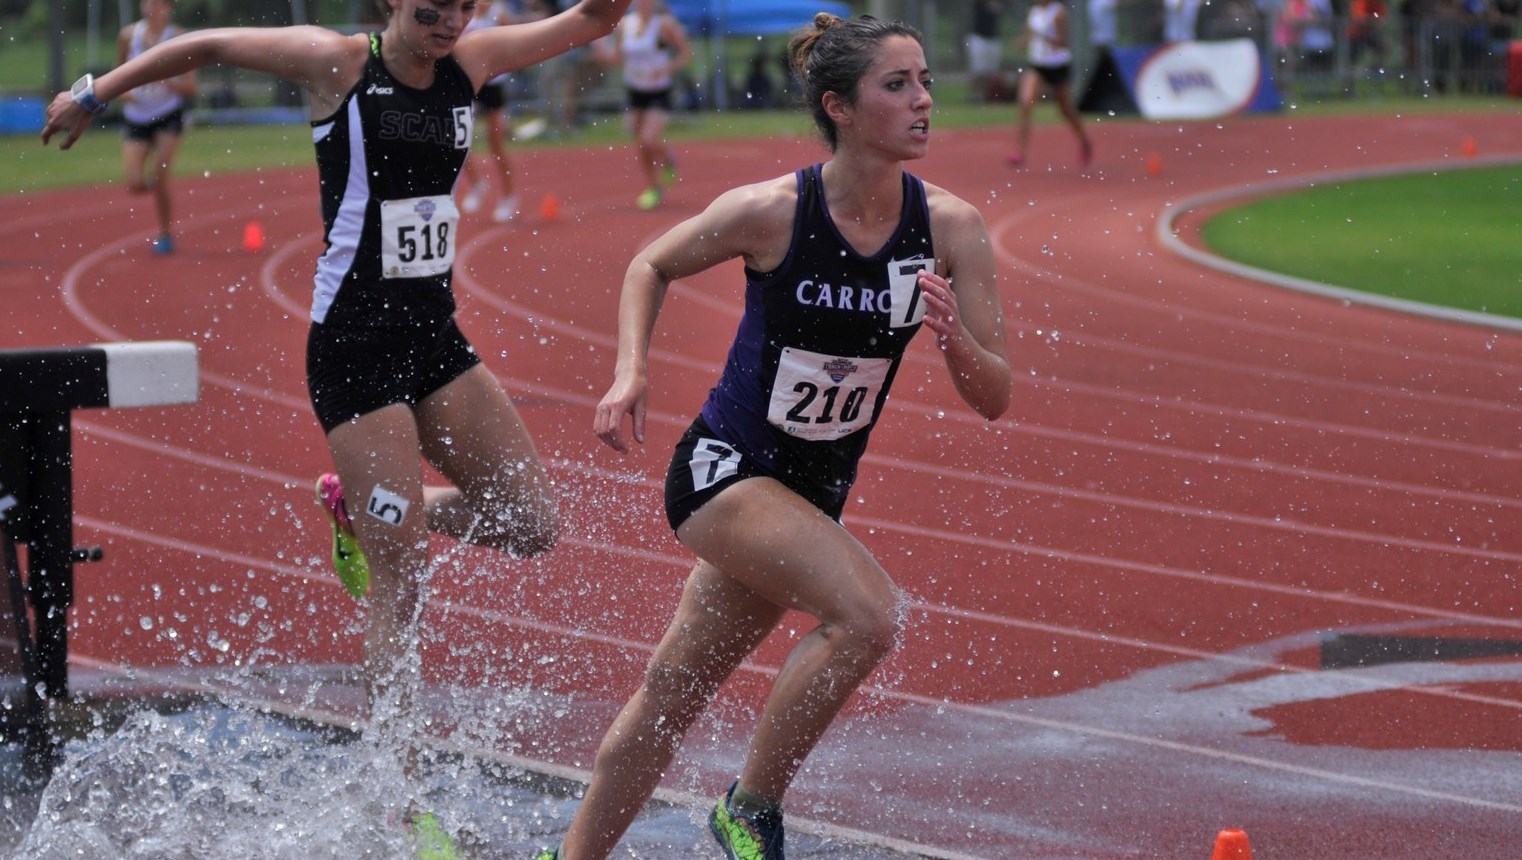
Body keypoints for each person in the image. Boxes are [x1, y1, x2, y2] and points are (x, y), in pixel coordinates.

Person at [43, 0, 632, 840]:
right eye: (431, 13)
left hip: (435, 339)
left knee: (531, 523)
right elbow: (206, 44)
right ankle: (405, 795)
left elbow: (595, 21)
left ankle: (368, 509)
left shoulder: (471, 60)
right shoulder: (335, 65)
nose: (448, 28)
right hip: (354, 349)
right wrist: (94, 92)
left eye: (463, 11)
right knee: (402, 579)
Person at [537, 14, 1013, 860]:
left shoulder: (952, 229)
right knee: (868, 618)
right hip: (727, 471)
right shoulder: (771, 211)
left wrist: (954, 339)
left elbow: (995, 397)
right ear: (839, 106)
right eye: (897, 85)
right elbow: (652, 263)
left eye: (925, 81)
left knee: (671, 693)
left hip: (813, 493)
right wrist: (629, 371)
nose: (924, 101)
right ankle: (749, 808)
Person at [116, 0, 196, 255]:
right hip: (136, 115)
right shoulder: (128, 36)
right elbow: (118, 72)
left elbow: (191, 86)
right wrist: (123, 92)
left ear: (169, 8)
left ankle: (165, 234)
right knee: (135, 182)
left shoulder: (178, 37)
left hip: (167, 113)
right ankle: (158, 190)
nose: (153, 7)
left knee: (161, 174)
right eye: (149, 2)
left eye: (160, 3)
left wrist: (169, 83)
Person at [595, 0, 692, 209]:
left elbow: (686, 54)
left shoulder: (664, 25)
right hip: (635, 90)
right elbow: (617, 60)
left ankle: (668, 158)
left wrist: (666, 67)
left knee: (650, 139)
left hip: (658, 91)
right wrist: (601, 50)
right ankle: (653, 187)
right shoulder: (625, 25)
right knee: (640, 143)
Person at [460, 0, 538, 222]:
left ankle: (508, 196)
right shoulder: (464, 12)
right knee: (457, 138)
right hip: (470, 82)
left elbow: (512, 43)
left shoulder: (498, 14)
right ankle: (476, 184)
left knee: (495, 142)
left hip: (494, 84)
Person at [1008, 0, 1093, 169]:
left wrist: (1040, 36)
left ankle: (1085, 142)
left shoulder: (1058, 13)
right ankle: (1020, 151)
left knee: (1065, 109)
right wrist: (1022, 41)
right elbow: (1029, 35)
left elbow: (1063, 42)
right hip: (1038, 64)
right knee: (1026, 102)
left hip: (1057, 65)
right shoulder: (1034, 12)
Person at [966, 0, 1008, 102]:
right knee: (978, 70)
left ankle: (989, 96)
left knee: (993, 72)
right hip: (978, 37)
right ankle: (975, 96)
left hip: (993, 38)